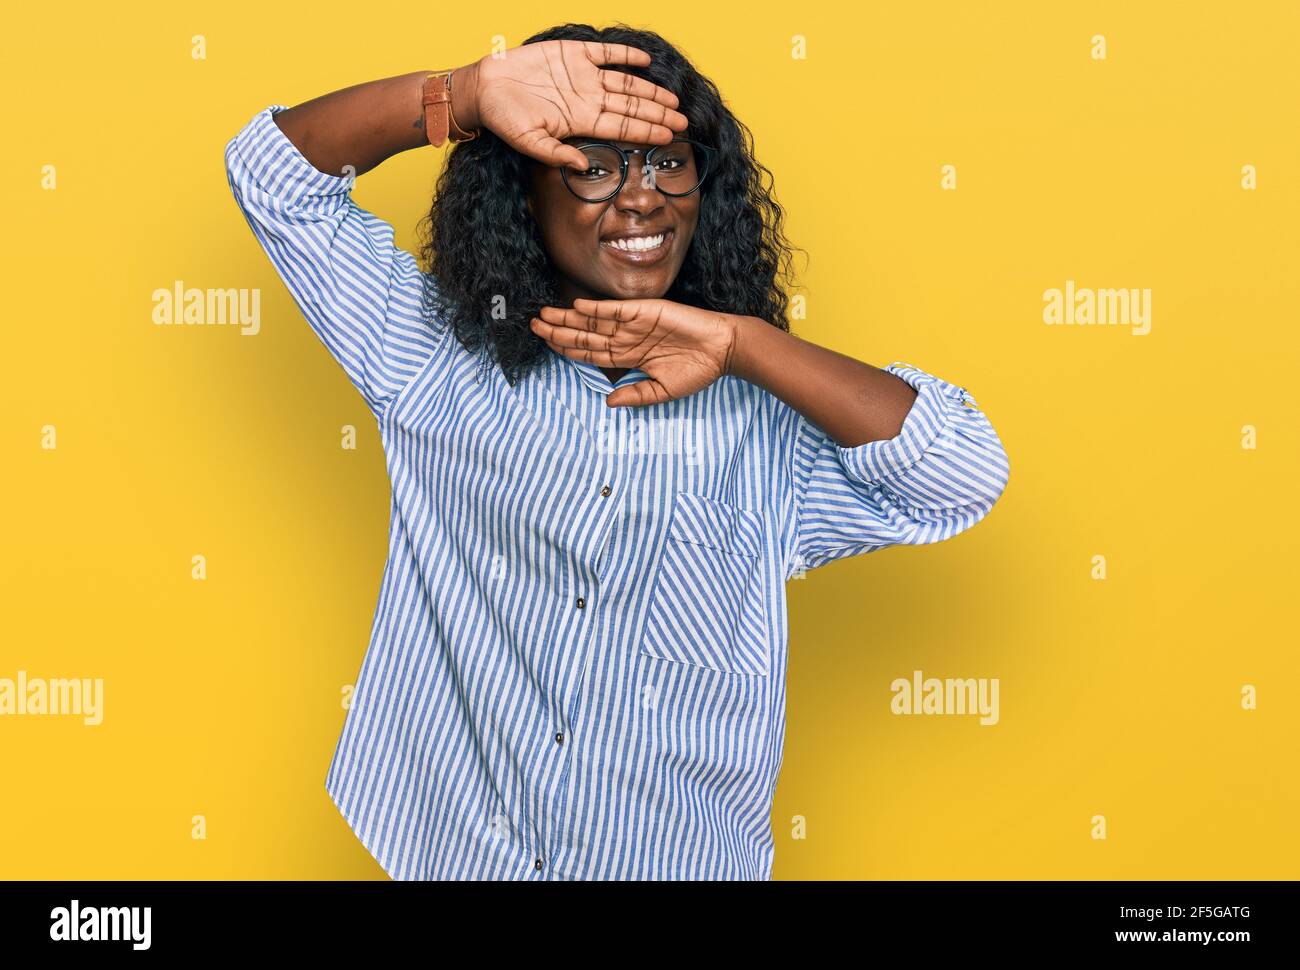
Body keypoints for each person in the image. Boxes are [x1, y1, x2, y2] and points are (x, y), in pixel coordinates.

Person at [223, 23, 1010, 880]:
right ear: (524, 195)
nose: (642, 199)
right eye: (592, 167)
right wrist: (465, 94)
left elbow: (961, 470)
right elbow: (274, 176)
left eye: (670, 165)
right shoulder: (427, 361)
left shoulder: (763, 425)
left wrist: (745, 345)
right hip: (454, 853)